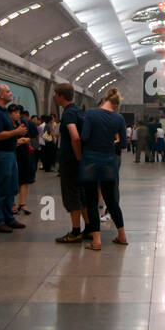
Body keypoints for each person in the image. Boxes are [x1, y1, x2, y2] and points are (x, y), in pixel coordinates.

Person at [78, 87, 128, 250]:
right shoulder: (119, 118)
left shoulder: (91, 114)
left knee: (92, 201)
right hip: (108, 161)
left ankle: (96, 241)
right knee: (111, 200)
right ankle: (122, 235)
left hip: (90, 161)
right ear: (116, 105)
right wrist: (110, 143)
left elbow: (84, 137)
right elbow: (123, 144)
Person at [0, 84, 27, 233]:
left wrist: (16, 135)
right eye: (8, 91)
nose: (11, 93)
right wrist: (16, 132)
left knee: (10, 187)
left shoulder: (3, 112)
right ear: (1, 95)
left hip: (9, 154)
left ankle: (8, 217)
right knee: (0, 188)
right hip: (0, 154)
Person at [53, 83, 85, 243]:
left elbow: (75, 136)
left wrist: (78, 156)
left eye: (55, 94)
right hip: (79, 163)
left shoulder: (68, 114)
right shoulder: (79, 111)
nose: (54, 97)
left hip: (70, 162)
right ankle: (90, 228)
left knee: (71, 195)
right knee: (82, 195)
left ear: (60, 96)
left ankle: (75, 231)